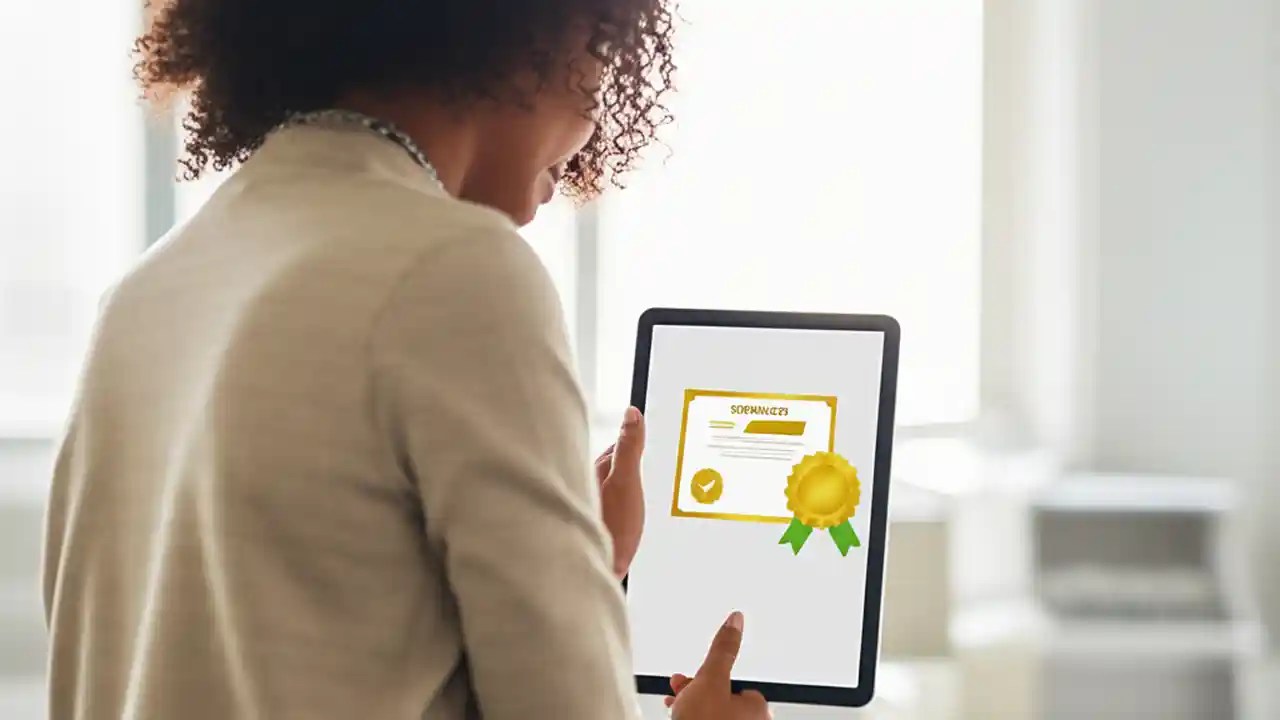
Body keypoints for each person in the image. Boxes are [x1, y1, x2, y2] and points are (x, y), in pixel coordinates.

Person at [40, 1, 770, 719]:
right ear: (542, 29)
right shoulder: (457, 271)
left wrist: (581, 572)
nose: (595, 131)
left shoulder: (145, 297)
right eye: (606, 52)